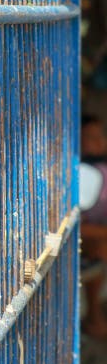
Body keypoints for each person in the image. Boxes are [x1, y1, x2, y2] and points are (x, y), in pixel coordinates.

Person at [80, 113, 107, 338]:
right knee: (101, 247)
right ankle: (94, 316)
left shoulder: (101, 166)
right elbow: (77, 227)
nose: (100, 141)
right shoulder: (80, 173)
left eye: (101, 135)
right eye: (91, 136)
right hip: (90, 240)